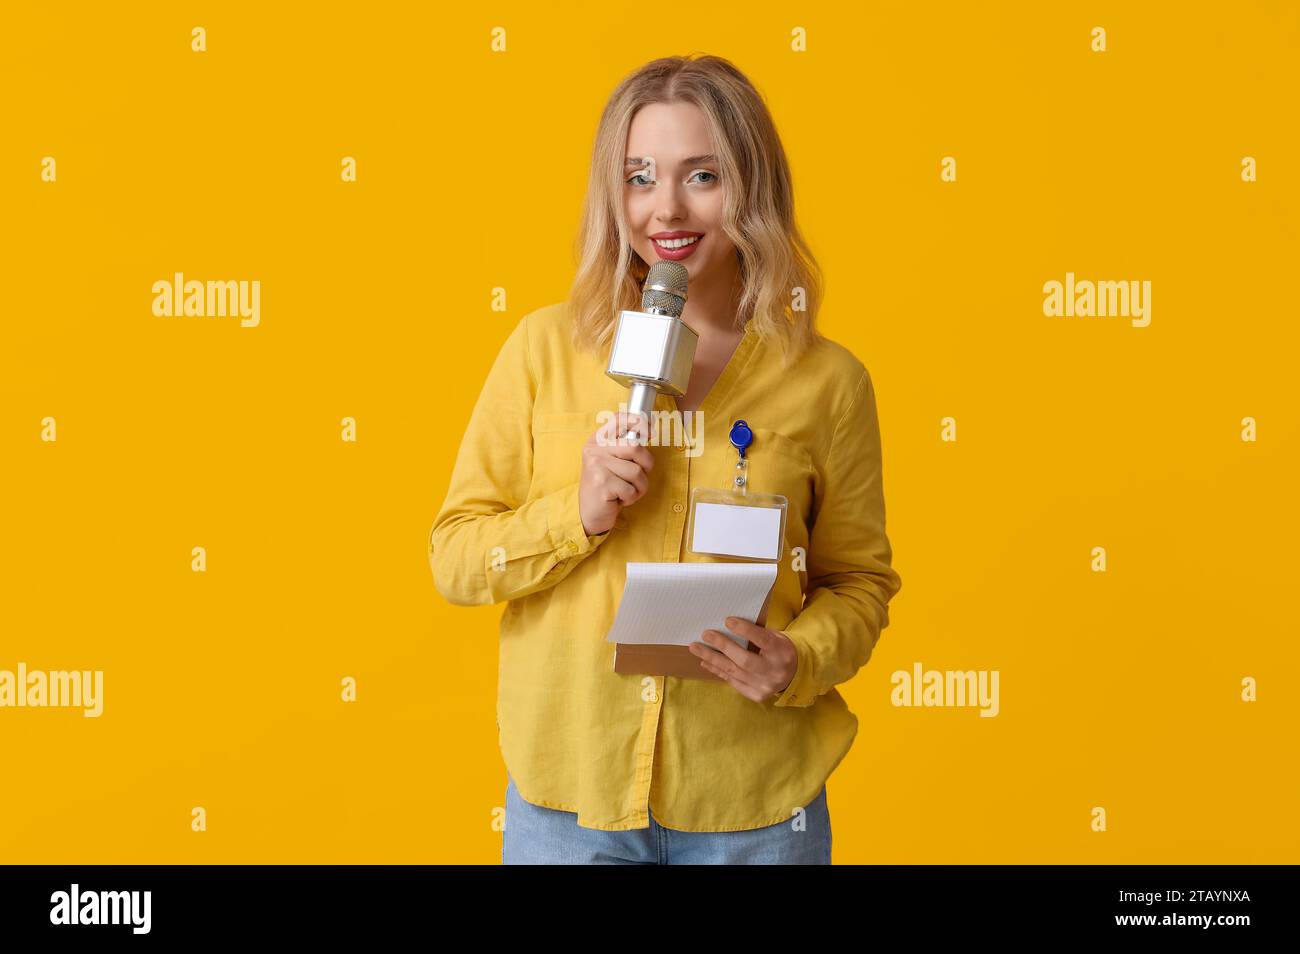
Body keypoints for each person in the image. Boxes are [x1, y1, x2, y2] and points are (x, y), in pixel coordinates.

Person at [428, 53, 902, 864]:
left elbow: (859, 582)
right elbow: (455, 557)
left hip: (753, 806)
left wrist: (801, 658)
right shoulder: (545, 350)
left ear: (752, 188)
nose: (666, 208)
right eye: (640, 177)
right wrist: (572, 515)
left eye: (703, 176)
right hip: (567, 806)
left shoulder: (828, 383)